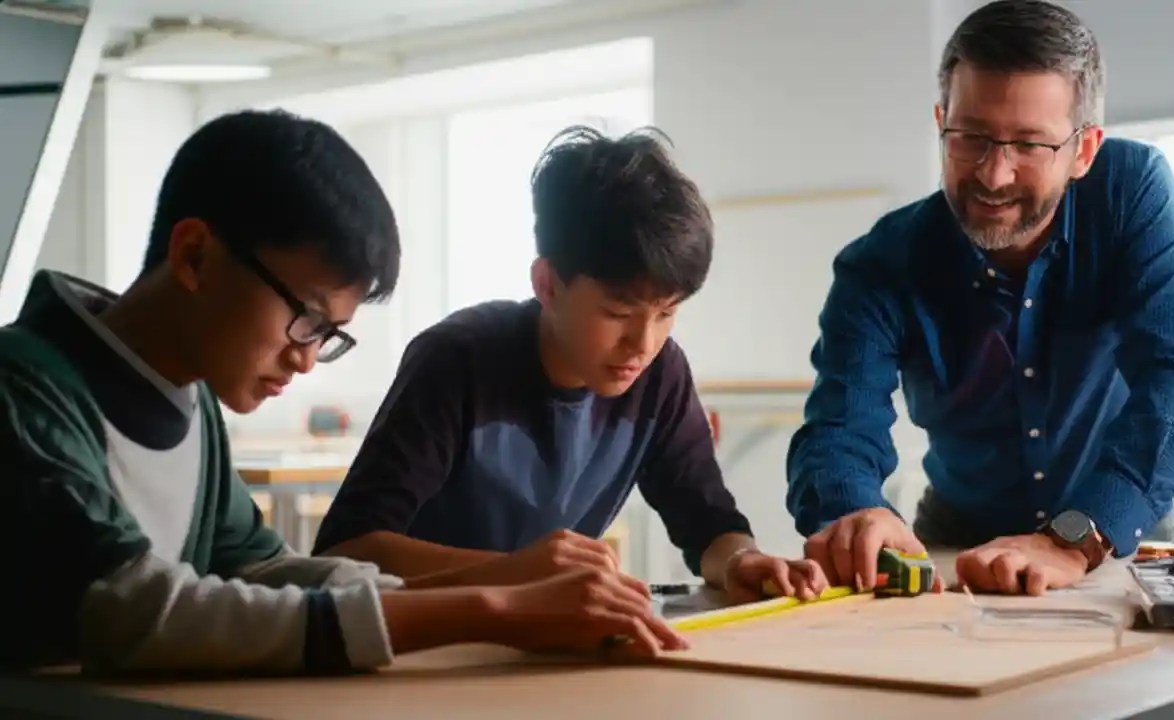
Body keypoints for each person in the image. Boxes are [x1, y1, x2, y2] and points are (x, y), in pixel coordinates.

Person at [0, 109, 686, 675]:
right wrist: (493, 609)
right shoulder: (24, 384)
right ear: (194, 256)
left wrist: (509, 588)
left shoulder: (191, 402)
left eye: (329, 334)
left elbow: (266, 572)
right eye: (305, 316)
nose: (306, 358)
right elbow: (138, 611)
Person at [786, 0, 1174, 596]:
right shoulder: (881, 261)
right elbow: (840, 422)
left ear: (1085, 151)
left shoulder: (1131, 192)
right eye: (972, 137)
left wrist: (1072, 538)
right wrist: (854, 511)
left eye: (1028, 145)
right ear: (942, 121)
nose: (994, 174)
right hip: (954, 543)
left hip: (1111, 534)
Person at [313, 126, 827, 604]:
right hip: (424, 648)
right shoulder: (457, 361)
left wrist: (742, 559)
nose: (642, 343)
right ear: (547, 285)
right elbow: (347, 550)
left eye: (668, 313)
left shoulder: (661, 374)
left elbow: (708, 523)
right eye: (617, 313)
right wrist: (516, 571)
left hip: (546, 644)